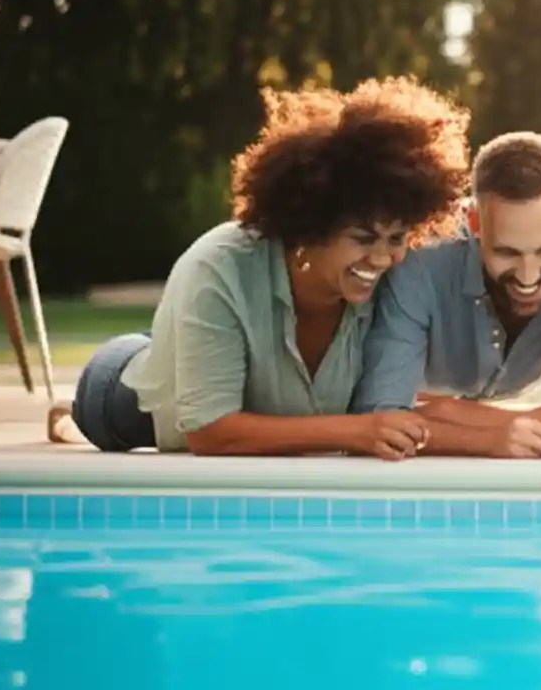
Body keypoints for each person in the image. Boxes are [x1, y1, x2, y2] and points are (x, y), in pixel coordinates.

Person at [49, 76, 470, 457]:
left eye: (396, 239)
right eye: (362, 239)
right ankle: (66, 415)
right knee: (95, 413)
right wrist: (354, 431)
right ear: (310, 226)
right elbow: (210, 433)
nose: (382, 258)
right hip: (131, 397)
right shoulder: (219, 266)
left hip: (223, 354)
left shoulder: (396, 279)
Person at [350, 131, 541, 458]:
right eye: (507, 252)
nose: (528, 277)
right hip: (441, 393)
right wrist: (486, 439)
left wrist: (453, 415)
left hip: (504, 400)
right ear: (475, 224)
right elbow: (379, 419)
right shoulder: (422, 252)